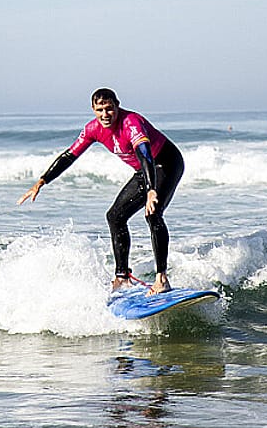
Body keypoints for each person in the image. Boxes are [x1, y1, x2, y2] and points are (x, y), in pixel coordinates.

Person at [18, 88, 184, 296]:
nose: (105, 114)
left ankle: (162, 279)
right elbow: (69, 156)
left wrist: (151, 190)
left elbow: (144, 154)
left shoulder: (131, 123)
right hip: (145, 170)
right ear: (93, 110)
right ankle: (122, 277)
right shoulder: (93, 129)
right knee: (115, 216)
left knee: (153, 214)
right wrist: (42, 181)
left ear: (117, 106)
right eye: (100, 110)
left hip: (166, 163)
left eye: (109, 109)